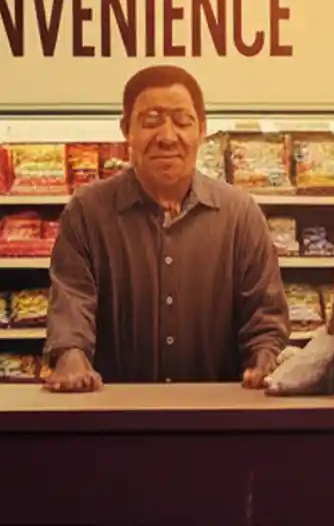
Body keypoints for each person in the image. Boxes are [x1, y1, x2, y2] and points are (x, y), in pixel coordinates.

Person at [43, 65, 289, 392]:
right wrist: (70, 355)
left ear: (202, 130)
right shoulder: (88, 211)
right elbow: (73, 299)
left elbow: (264, 313)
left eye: (182, 121)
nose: (167, 137)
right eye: (151, 121)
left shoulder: (239, 214)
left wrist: (265, 356)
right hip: (112, 419)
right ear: (126, 130)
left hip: (220, 418)